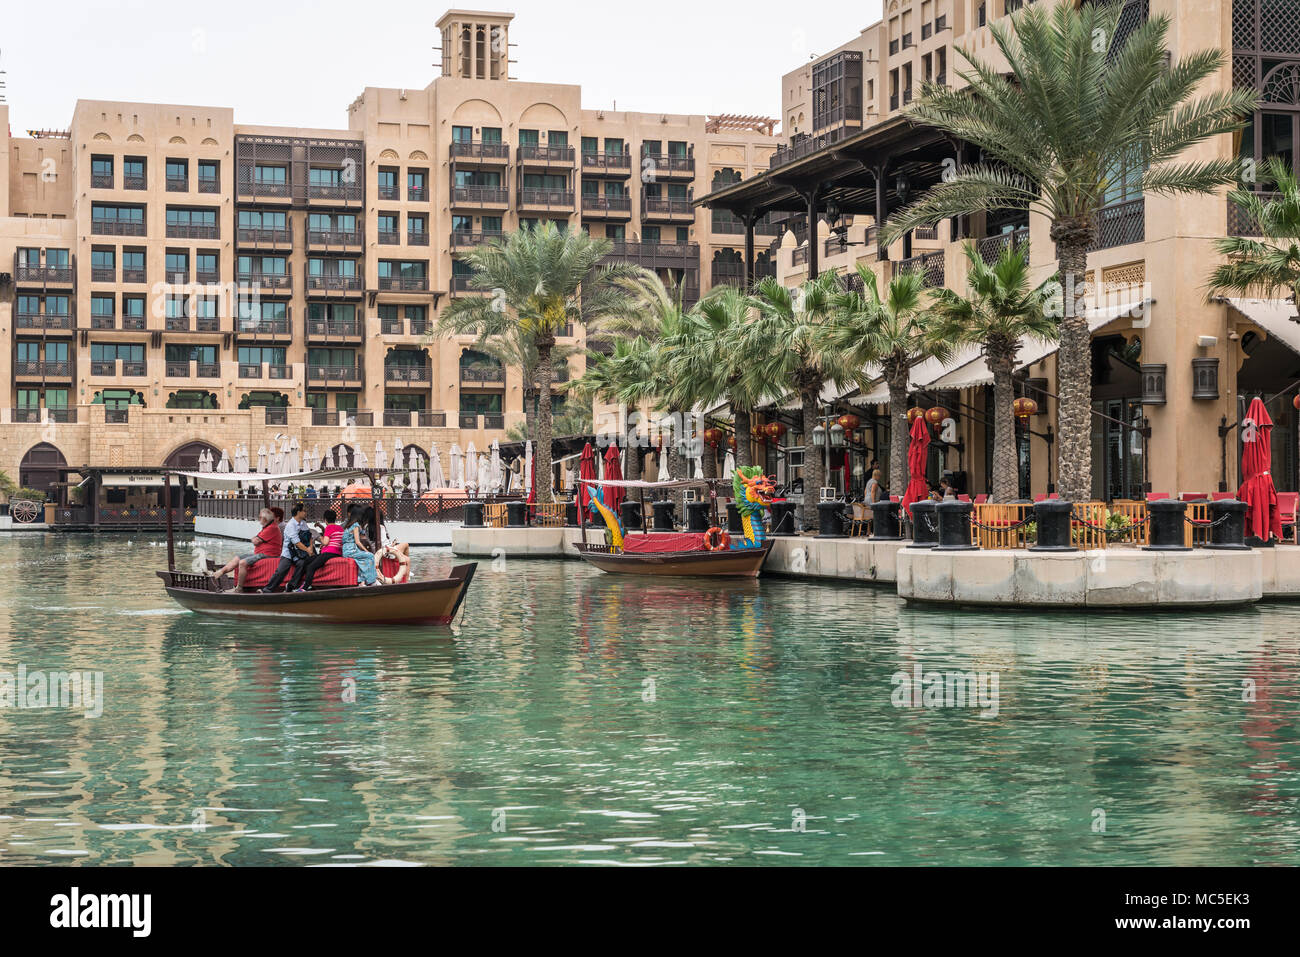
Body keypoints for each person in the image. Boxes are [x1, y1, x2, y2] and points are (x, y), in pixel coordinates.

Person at [212, 508, 281, 592]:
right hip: (260, 553)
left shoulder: (272, 528)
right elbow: (256, 539)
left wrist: (254, 539)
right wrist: (255, 539)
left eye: (260, 517)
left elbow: (256, 541)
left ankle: (239, 588)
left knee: (242, 563)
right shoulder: (267, 527)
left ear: (265, 519)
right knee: (237, 558)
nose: (259, 519)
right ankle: (220, 573)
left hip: (268, 554)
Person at [261, 501, 313, 593]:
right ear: (298, 512)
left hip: (299, 554)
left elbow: (309, 536)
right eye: (304, 511)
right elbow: (296, 542)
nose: (306, 513)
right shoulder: (290, 525)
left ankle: (291, 586)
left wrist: (311, 547)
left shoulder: (303, 523)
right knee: (281, 571)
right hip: (288, 553)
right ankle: (267, 589)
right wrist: (308, 550)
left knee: (302, 564)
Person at [341, 505, 391, 586]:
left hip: (346, 550)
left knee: (363, 560)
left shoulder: (348, 526)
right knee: (370, 556)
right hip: (351, 550)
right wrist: (366, 550)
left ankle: (362, 581)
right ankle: (372, 580)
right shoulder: (356, 525)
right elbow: (357, 542)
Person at [295, 509, 344, 591]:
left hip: (330, 552)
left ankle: (306, 586)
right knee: (308, 560)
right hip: (337, 552)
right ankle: (301, 583)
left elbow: (325, 541)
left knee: (311, 566)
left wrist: (322, 544)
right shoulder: (340, 528)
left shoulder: (329, 527)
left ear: (325, 519)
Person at [375, 513, 411, 584]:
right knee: (406, 548)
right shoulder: (381, 527)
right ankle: (407, 580)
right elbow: (384, 544)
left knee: (404, 546)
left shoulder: (368, 527)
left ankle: (403, 562)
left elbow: (382, 542)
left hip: (382, 550)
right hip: (387, 552)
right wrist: (392, 545)